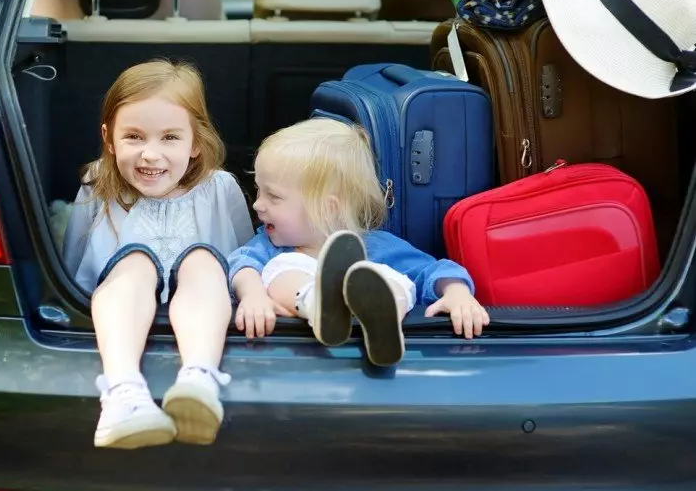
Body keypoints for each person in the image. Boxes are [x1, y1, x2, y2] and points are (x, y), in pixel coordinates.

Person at [62, 59, 254, 450]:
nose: (151, 154)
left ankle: (198, 380)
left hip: (206, 310)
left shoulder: (220, 189)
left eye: (169, 138)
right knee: (136, 263)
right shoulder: (97, 185)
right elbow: (72, 265)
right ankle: (122, 393)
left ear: (195, 142)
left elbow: (243, 260)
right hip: (118, 310)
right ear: (110, 139)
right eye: (134, 137)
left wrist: (255, 294)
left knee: (203, 260)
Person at [228, 119, 490, 366]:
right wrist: (253, 296)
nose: (257, 204)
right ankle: (320, 303)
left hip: (357, 324)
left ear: (328, 208)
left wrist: (457, 294)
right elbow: (242, 264)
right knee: (284, 267)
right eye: (258, 189)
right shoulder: (270, 245)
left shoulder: (377, 246)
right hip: (314, 321)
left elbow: (433, 270)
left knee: (394, 280)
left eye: (272, 196)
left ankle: (382, 325)